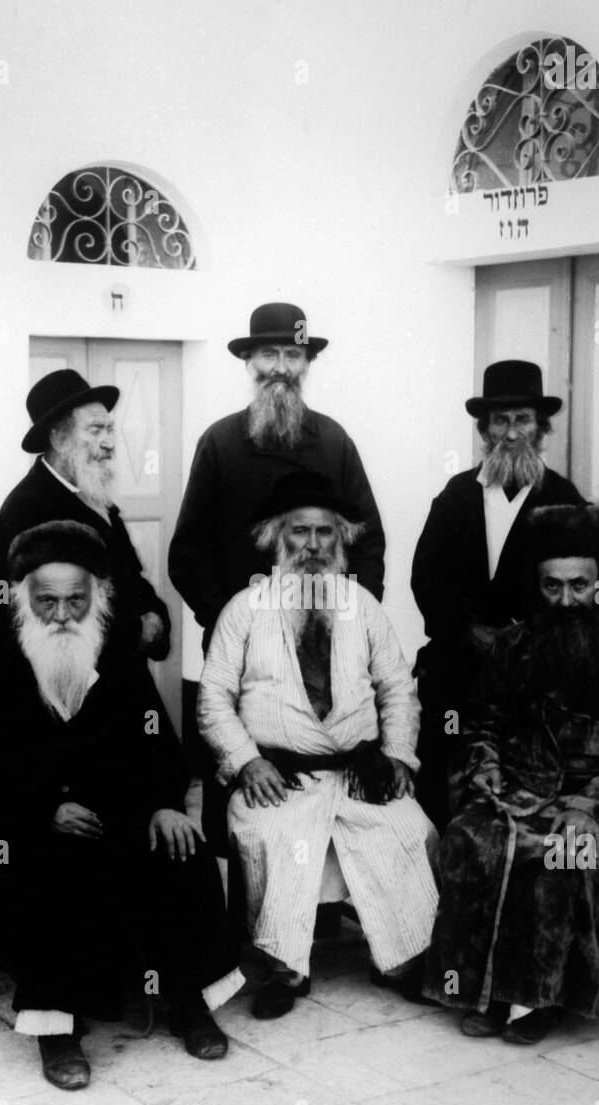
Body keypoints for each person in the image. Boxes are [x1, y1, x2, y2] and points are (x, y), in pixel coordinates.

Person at [0, 520, 240, 1089]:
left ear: (97, 599)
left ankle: (187, 1002)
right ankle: (57, 1027)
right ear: (22, 600)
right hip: (30, 834)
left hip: (122, 823)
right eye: (47, 601)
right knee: (51, 877)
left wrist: (163, 805)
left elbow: (161, 751)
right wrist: (42, 810)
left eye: (75, 600)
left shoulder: (123, 670)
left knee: (183, 854)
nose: (61, 614)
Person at [169, 301, 388, 934]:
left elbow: (368, 541)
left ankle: (320, 916)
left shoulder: (335, 440)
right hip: (246, 644)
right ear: (249, 363)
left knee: (322, 770)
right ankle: (252, 922)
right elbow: (188, 550)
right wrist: (238, 619)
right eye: (270, 355)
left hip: (326, 642)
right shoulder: (220, 442)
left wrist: (351, 618)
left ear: (307, 363)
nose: (282, 367)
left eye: (293, 355)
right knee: (248, 780)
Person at [423, 504, 599, 1044]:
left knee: (560, 853)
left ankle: (543, 998)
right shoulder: (514, 646)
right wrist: (485, 767)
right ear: (537, 587)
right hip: (518, 789)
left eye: (579, 586)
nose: (567, 601)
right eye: (553, 587)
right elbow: (483, 723)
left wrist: (588, 809)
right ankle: (486, 992)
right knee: (474, 839)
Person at [197, 472, 438, 1019]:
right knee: (275, 838)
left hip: (360, 773)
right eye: (300, 532)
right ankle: (286, 969)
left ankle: (400, 959)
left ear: (341, 539)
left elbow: (398, 687)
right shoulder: (245, 609)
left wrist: (399, 755)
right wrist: (246, 761)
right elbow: (212, 699)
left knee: (411, 830)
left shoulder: (364, 606)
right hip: (280, 778)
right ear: (277, 538)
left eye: (325, 533)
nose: (312, 545)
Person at [411, 360, 584, 830]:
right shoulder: (456, 495)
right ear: (484, 429)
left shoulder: (565, 500)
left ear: (541, 427)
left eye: (522, 420)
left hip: (533, 677)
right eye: (501, 421)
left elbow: (581, 592)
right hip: (457, 670)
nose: (511, 433)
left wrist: (523, 640)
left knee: (517, 791)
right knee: (445, 779)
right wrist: (468, 630)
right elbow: (425, 577)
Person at [0, 369, 169, 662]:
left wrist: (159, 618)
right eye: (96, 430)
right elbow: (53, 609)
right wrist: (137, 630)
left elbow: (132, 579)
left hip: (118, 670)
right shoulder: (28, 508)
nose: (110, 442)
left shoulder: (97, 500)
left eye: (110, 429)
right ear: (60, 439)